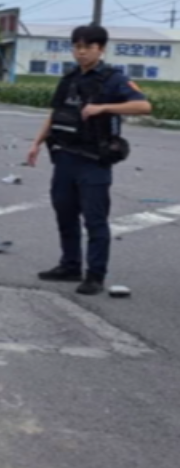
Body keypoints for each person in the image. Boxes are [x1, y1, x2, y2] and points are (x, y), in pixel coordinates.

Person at [26, 24, 151, 296]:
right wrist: (36, 143)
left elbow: (143, 105)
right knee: (65, 213)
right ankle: (70, 265)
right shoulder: (69, 77)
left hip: (94, 160)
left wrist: (104, 107)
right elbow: (55, 113)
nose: (81, 53)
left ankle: (95, 275)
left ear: (101, 49)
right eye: (77, 47)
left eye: (87, 47)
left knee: (95, 219)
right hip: (65, 157)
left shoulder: (113, 79)